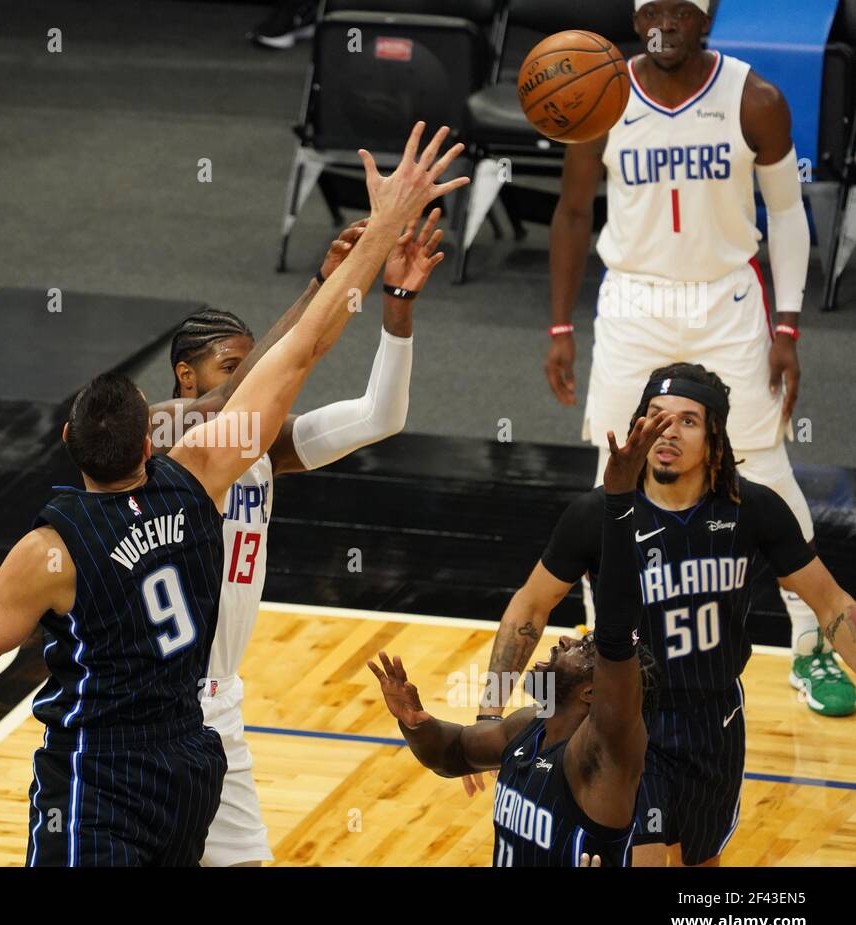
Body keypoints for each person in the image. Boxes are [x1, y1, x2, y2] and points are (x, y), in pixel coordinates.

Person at [0, 121, 469, 867]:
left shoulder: (50, 555)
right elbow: (306, 347)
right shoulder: (200, 477)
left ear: (65, 444)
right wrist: (384, 232)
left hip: (104, 776)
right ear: (154, 439)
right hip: (189, 760)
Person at [542, 0, 850, 714]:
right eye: (653, 11)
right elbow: (572, 212)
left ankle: (812, 645)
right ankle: (612, 656)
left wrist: (789, 326)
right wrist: (560, 327)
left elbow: (788, 212)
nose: (665, 24)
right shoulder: (603, 92)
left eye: (680, 12)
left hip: (726, 300)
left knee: (763, 469)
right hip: (633, 301)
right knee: (615, 478)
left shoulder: (756, 98)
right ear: (638, 15)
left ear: (706, 20)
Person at [148, 208, 448, 866]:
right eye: (235, 366)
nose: (256, 378)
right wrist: (322, 285)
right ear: (187, 377)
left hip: (219, 700)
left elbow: (380, 416)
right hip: (150, 701)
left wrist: (396, 310)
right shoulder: (160, 436)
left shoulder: (265, 447)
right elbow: (242, 398)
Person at [475, 363, 856, 866]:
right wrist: (489, 712)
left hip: (713, 718)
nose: (667, 431)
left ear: (714, 438)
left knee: (702, 864)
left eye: (687, 421)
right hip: (625, 720)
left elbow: (832, 605)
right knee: (645, 859)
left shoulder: (754, 510)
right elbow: (531, 606)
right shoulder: (598, 516)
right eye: (655, 417)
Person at [369, 412, 671, 866]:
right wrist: (415, 722)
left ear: (596, 690)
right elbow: (450, 755)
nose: (566, 641)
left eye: (584, 650)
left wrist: (619, 499)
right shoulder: (529, 726)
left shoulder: (606, 751)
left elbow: (616, 626)